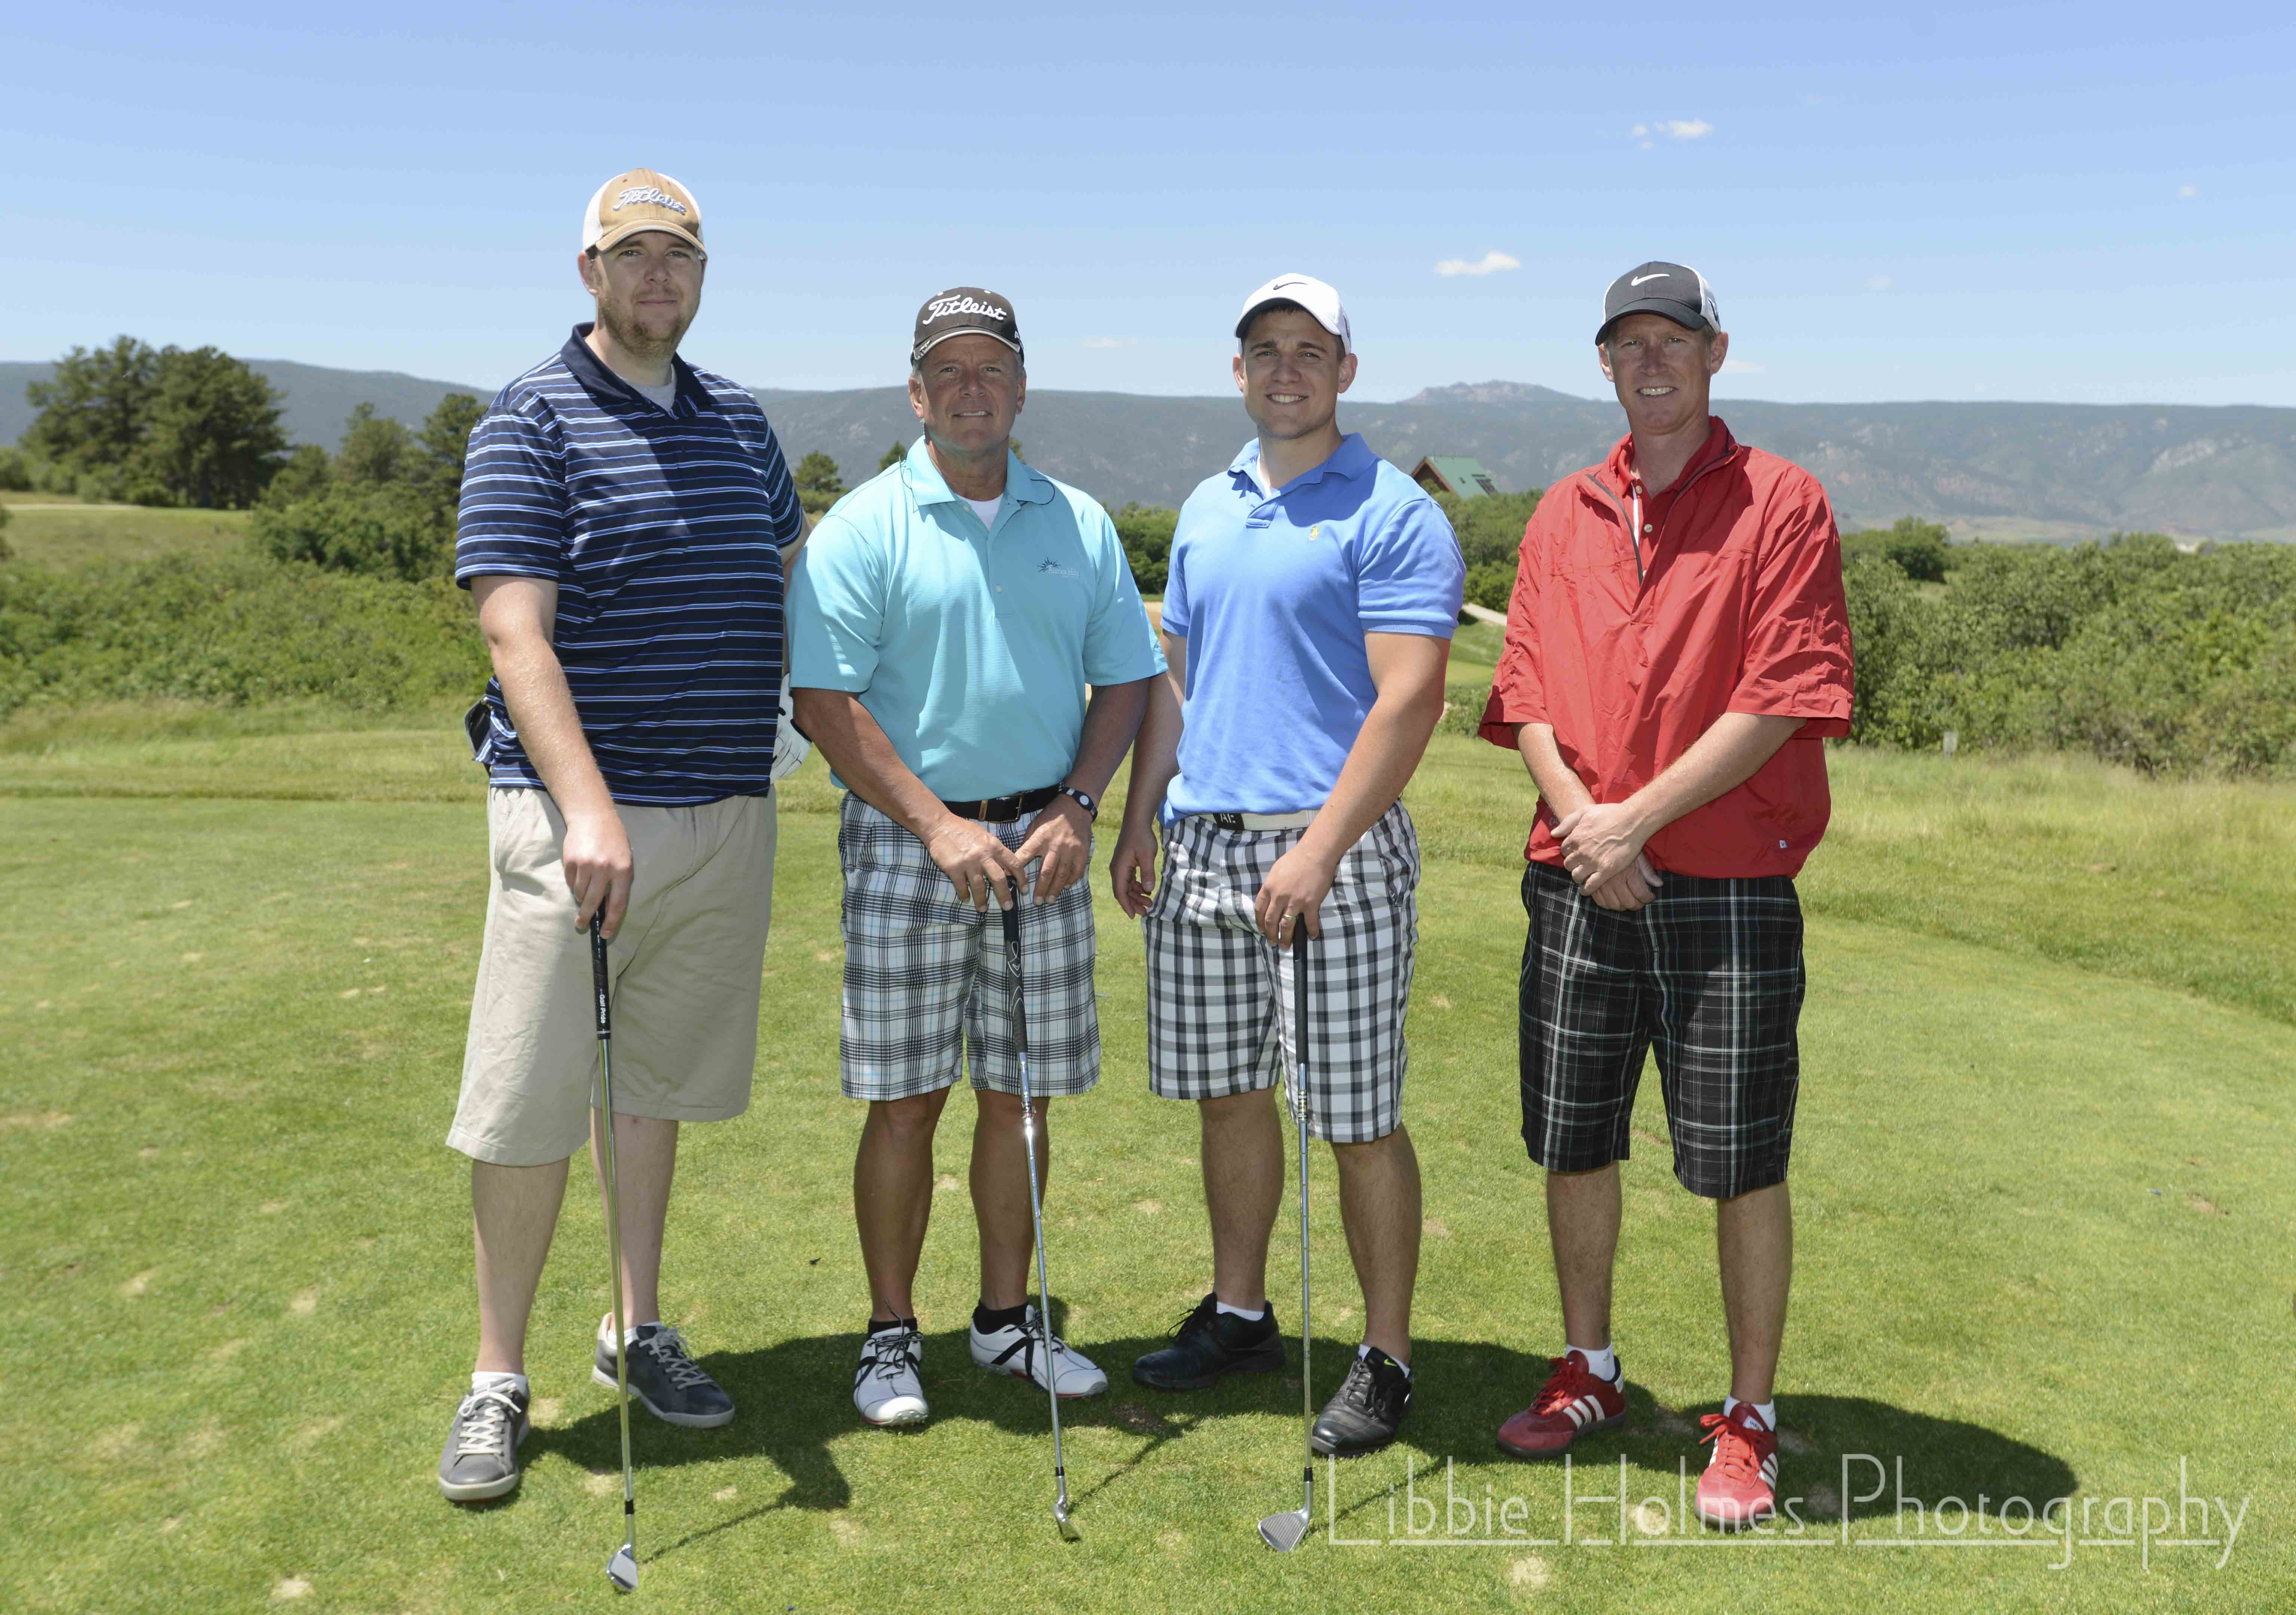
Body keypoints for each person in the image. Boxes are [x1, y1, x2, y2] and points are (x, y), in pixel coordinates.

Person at [437, 169, 806, 1501]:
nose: (660, 277)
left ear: (702, 278)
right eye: (633, 255)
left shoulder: (739, 420)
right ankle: (495, 1377)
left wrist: (792, 708)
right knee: (529, 1106)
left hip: (722, 812)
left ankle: (635, 1327)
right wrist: (587, 806)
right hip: (575, 826)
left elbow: (782, 572)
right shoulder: (528, 416)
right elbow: (511, 628)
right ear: (588, 272)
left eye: (681, 258)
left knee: (651, 1092)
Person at [1477, 262, 1854, 1529]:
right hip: (1577, 874)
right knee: (1574, 1140)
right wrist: (1590, 828)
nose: (1651, 362)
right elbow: (1524, 688)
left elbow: (1782, 693)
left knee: (1740, 1160)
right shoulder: (1561, 512)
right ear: (1604, 362)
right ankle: (1590, 1370)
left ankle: (1745, 1418)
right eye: (1628, 343)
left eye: (1672, 340)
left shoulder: (1781, 503)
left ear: (1715, 352)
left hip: (1730, 883)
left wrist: (1632, 817)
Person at [786, 287, 1164, 1427]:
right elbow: (822, 699)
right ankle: (890, 1333)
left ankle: (1006, 1321)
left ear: (1020, 387)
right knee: (906, 1100)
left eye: (988, 369)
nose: (968, 389)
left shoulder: (1077, 521)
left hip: (1043, 837)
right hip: (913, 839)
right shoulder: (861, 526)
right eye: (945, 371)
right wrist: (938, 826)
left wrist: (1081, 805)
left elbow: (1129, 679)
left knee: (1022, 1100)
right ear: (914, 392)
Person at [1111, 274, 1464, 1458]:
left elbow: (1409, 700)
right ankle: (1240, 1313)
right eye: (1263, 349)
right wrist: (1136, 815)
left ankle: (1385, 1354)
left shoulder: (1391, 509)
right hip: (1205, 850)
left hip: (1335, 854)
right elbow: (1176, 680)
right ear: (1237, 370)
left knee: (1356, 1116)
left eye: (1308, 350)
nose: (1284, 369)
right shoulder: (1209, 506)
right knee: (1228, 1095)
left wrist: (1317, 851)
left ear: (1344, 371)